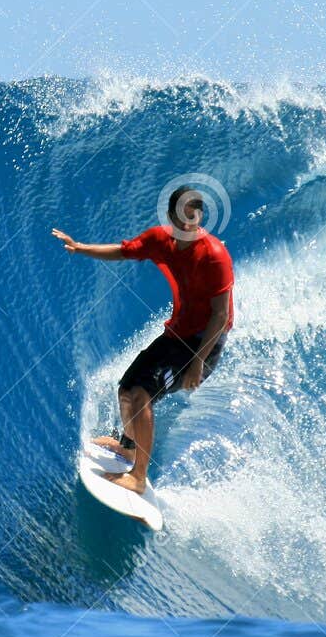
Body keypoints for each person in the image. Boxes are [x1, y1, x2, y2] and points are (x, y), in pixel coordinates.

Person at [51, 187, 234, 493]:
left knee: (142, 394)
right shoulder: (160, 240)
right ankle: (127, 446)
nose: (188, 225)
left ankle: (137, 476)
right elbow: (124, 251)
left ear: (200, 217)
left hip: (205, 342)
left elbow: (219, 316)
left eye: (194, 218)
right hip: (177, 334)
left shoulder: (214, 255)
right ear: (171, 217)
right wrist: (79, 247)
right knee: (125, 388)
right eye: (181, 218)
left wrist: (197, 363)